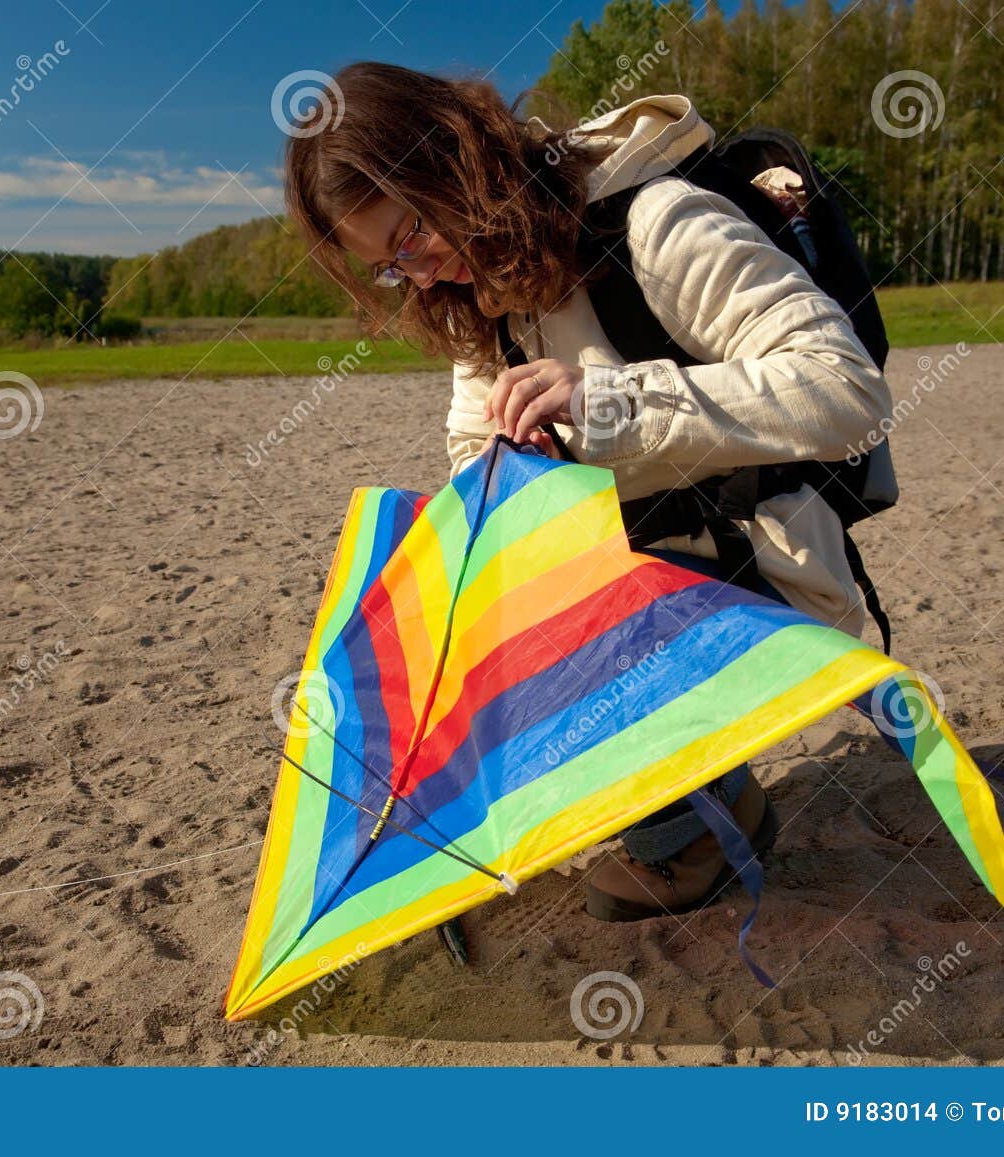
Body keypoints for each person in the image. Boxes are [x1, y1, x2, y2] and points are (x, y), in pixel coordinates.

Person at [282, 62, 892, 922]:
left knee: (565, 660)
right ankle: (697, 792)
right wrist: (503, 460)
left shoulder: (658, 224)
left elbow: (846, 390)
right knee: (449, 613)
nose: (418, 276)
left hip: (763, 560)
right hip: (645, 566)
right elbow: (469, 452)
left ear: (454, 161)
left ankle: (702, 831)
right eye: (389, 267)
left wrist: (610, 403)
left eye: (411, 234)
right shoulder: (478, 289)